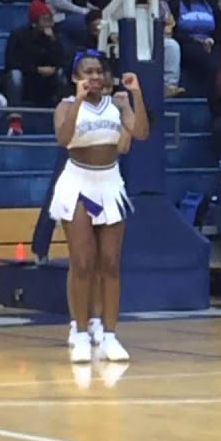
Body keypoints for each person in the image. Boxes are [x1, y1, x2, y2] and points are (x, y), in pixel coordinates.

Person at [51, 53, 149, 363]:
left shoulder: (116, 105)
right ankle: (80, 331)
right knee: (82, 261)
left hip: (109, 184)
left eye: (98, 72)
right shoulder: (66, 106)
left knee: (109, 262)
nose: (94, 76)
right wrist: (79, 101)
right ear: (75, 78)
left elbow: (142, 133)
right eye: (87, 72)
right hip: (78, 184)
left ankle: (109, 334)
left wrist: (135, 96)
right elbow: (63, 139)